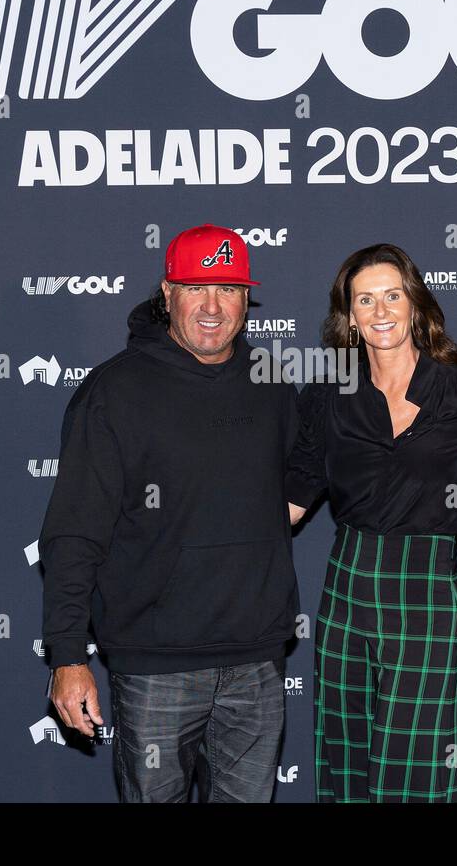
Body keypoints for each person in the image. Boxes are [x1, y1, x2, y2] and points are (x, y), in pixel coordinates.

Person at [39, 223, 300, 803]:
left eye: (228, 288)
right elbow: (75, 530)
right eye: (195, 287)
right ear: (167, 292)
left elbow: (307, 472)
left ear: (245, 298)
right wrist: (67, 655)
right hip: (155, 664)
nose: (212, 306)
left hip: (256, 661)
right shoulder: (115, 391)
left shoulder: (273, 382)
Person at [286, 243, 457, 802]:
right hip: (346, 589)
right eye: (364, 300)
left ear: (416, 304)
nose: (381, 310)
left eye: (392, 295)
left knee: (420, 768)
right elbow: (293, 502)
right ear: (348, 316)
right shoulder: (329, 395)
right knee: (344, 760)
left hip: (426, 593)